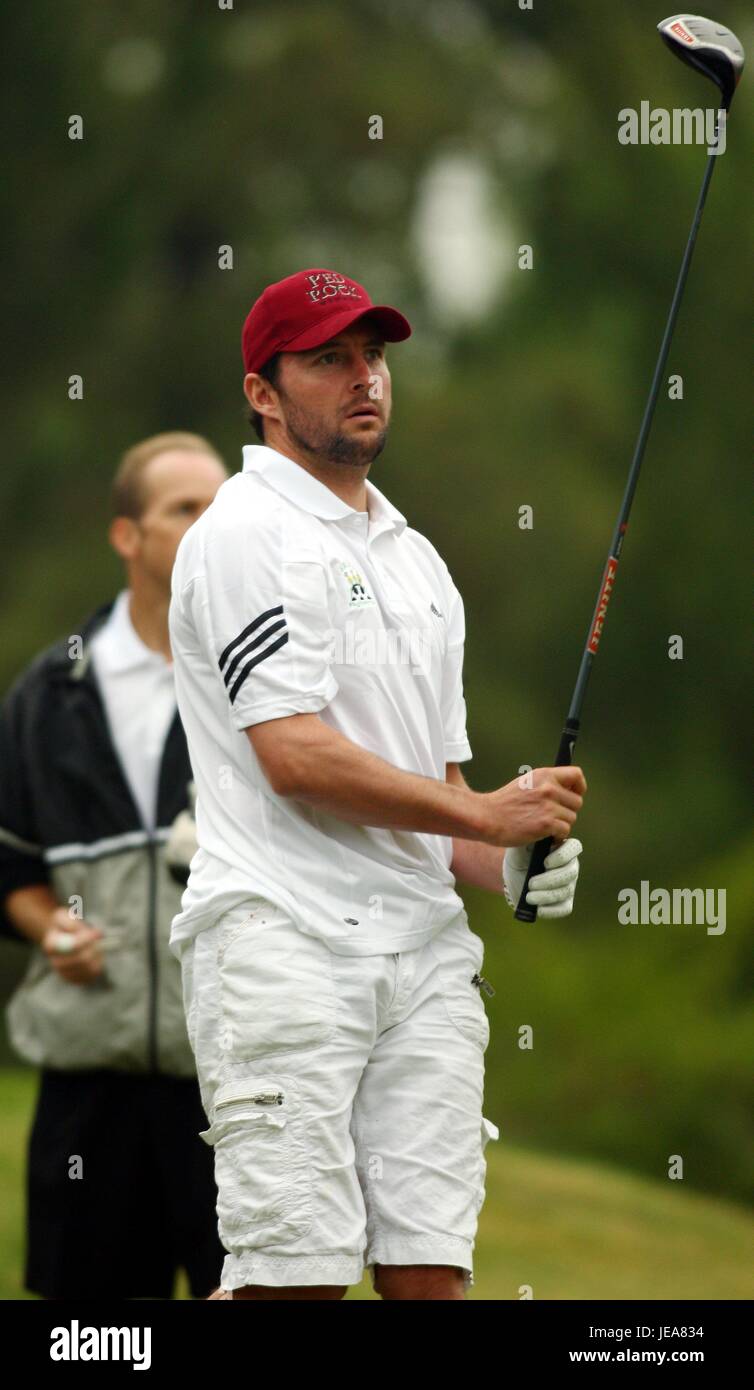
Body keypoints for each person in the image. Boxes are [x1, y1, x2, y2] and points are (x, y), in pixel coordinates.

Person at [168, 269, 587, 1302]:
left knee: (429, 1280)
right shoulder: (240, 532)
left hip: (425, 960)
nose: (364, 379)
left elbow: (436, 794)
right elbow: (293, 755)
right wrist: (481, 810)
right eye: (328, 360)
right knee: (294, 1283)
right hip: (281, 940)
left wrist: (507, 861)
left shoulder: (417, 562)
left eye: (374, 357)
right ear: (263, 392)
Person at [0, 431, 229, 1299]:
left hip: (235, 1085)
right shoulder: (45, 694)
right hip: (88, 1093)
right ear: (126, 536)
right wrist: (48, 927)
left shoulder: (272, 683)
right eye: (185, 510)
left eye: (221, 509)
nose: (210, 529)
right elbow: (7, 871)